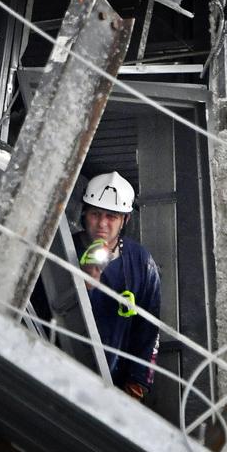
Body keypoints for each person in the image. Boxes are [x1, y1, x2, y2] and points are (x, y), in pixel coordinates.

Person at [74, 171, 160, 401]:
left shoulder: (140, 262)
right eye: (95, 214)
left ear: (125, 219)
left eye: (112, 216)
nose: (102, 223)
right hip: (61, 369)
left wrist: (136, 385)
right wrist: (83, 285)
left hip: (113, 381)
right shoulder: (62, 248)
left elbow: (148, 329)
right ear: (84, 214)